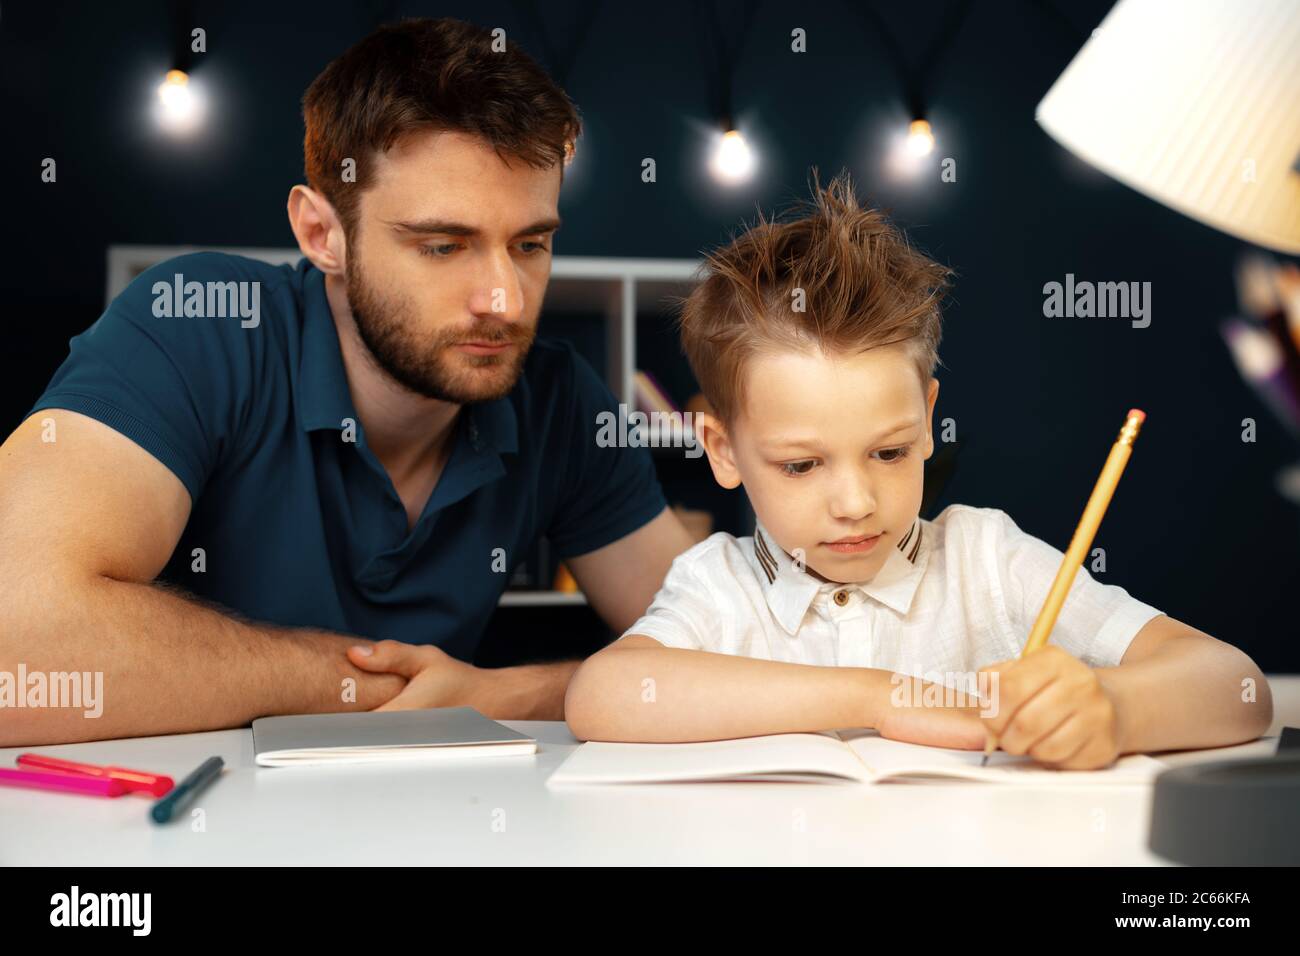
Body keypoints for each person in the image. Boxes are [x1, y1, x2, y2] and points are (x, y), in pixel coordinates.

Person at [0, 17, 694, 746]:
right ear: (321, 234)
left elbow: (728, 642)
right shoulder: (199, 323)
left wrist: (504, 693)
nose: (506, 301)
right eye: (442, 245)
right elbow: (14, 641)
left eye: (530, 244)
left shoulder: (558, 399)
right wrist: (350, 686)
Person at [564, 172, 1273, 769]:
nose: (855, 501)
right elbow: (604, 695)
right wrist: (878, 696)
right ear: (722, 450)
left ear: (928, 417)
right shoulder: (718, 585)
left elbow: (1236, 687)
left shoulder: (987, 560)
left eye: (890, 452)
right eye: (802, 464)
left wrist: (1113, 710)